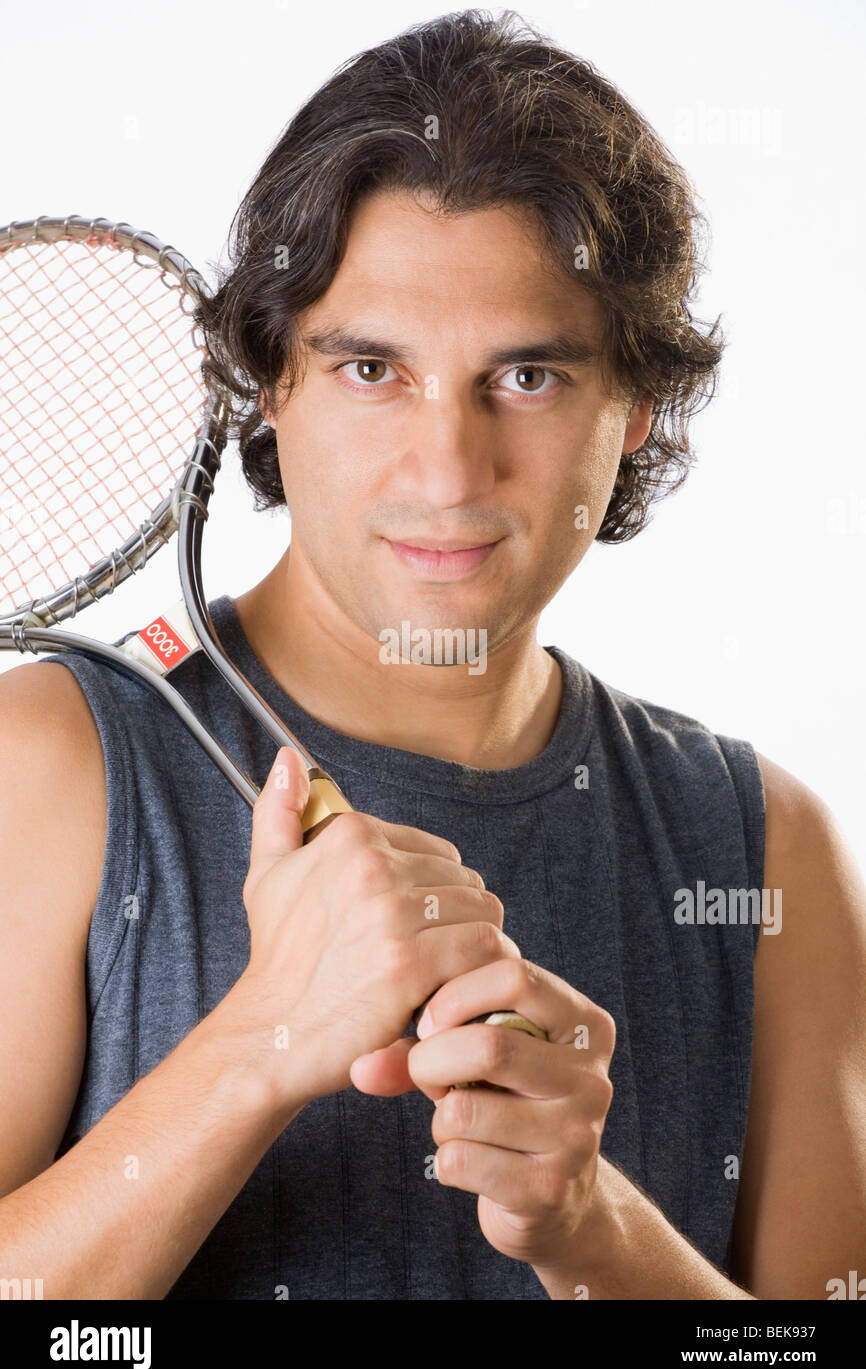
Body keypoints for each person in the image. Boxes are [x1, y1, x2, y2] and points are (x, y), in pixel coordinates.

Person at [0, 9, 863, 1301]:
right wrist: (260, 1043)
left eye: (523, 375)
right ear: (266, 385)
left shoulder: (761, 848)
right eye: (369, 368)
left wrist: (588, 1229)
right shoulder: (51, 763)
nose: (448, 471)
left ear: (631, 407)